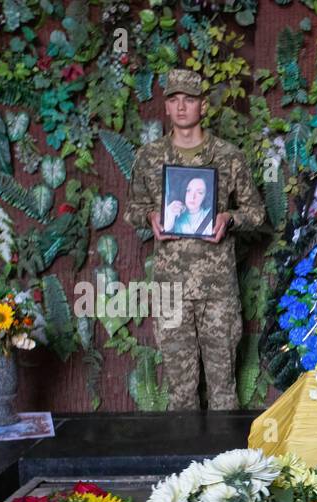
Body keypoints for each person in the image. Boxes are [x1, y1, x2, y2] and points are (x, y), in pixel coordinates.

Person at [124, 69, 265, 411]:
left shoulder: (228, 156)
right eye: (174, 100)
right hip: (170, 288)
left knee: (223, 390)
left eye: (189, 100)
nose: (182, 107)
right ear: (167, 108)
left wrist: (229, 218)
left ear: (203, 106)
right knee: (180, 391)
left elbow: (258, 214)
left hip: (217, 288)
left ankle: (226, 465)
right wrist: (150, 217)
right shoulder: (149, 157)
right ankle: (184, 464)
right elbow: (133, 208)